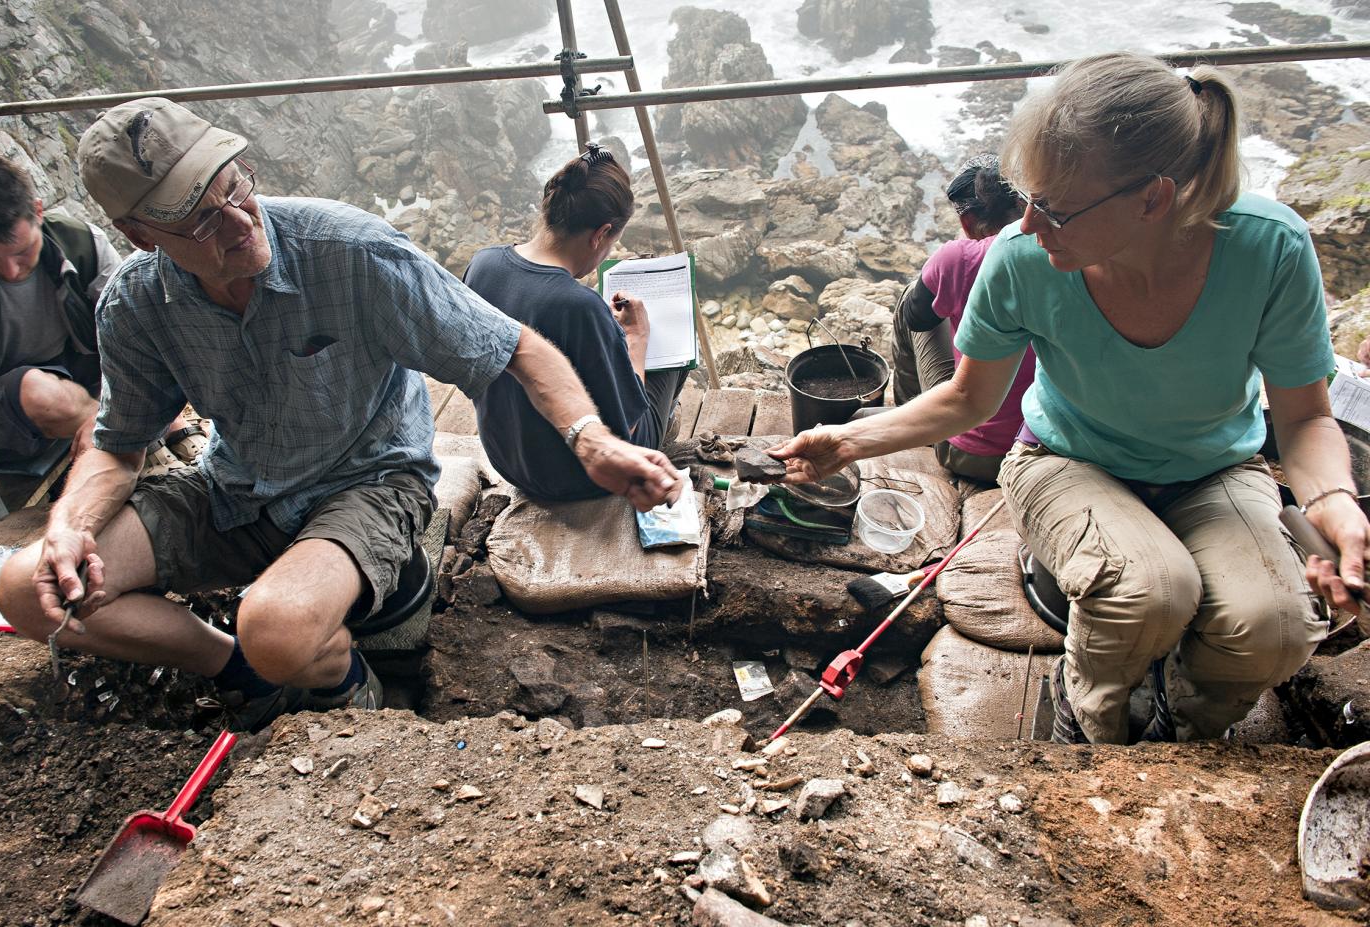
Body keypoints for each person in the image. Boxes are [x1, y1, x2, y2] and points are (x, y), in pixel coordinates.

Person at [0, 98, 682, 732]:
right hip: (235, 488)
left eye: (236, 186)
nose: (240, 222)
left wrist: (590, 440)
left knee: (276, 627)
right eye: (201, 220)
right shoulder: (135, 303)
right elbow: (117, 446)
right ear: (138, 234)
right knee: (29, 589)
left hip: (368, 483)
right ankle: (232, 665)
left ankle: (351, 686)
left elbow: (516, 347)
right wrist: (70, 526)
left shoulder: (349, 251)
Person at [771, 53, 1368, 745]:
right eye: (1028, 197)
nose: (1027, 224)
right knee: (1148, 592)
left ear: (1153, 199)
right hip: (1065, 460)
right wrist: (846, 441)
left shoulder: (1269, 248)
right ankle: (1087, 720)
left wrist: (1333, 503)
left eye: (1053, 208)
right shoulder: (1021, 261)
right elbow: (966, 399)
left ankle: (1182, 724)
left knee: (1276, 624)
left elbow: (1306, 417)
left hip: (1215, 470)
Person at [0, 154, 201, 470]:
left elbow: (134, 327)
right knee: (40, 391)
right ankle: (137, 445)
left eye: (22, 252)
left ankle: (162, 426)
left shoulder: (82, 242)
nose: (11, 271)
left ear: (38, 211)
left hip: (82, 372)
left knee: (139, 340)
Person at [464, 144, 688, 500]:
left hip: (508, 458)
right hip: (578, 478)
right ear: (600, 234)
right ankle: (667, 424)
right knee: (673, 344)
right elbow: (626, 430)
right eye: (612, 242)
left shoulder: (482, 264)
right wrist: (636, 337)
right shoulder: (580, 306)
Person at [885, 155, 1031, 483]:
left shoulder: (960, 258)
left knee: (914, 297)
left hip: (975, 454)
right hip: (1042, 444)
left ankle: (915, 421)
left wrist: (956, 283)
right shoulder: (1061, 248)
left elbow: (917, 320)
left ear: (967, 221)